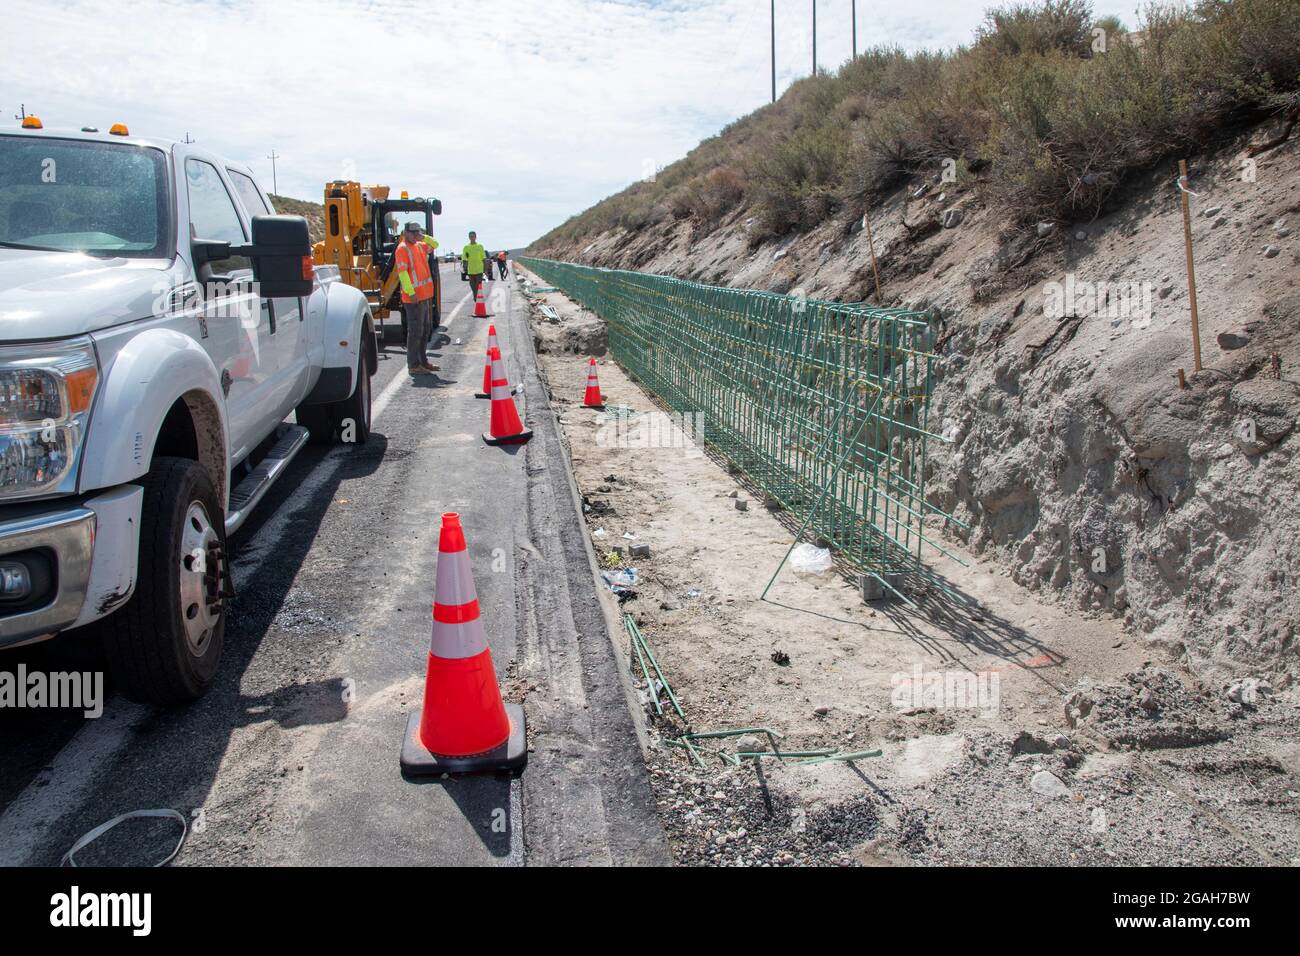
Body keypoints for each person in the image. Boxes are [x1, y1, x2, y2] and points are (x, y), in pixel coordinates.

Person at [394, 221, 439, 376]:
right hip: (414, 298)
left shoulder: (419, 245)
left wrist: (423, 236)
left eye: (417, 232)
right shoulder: (402, 249)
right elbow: (403, 273)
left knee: (425, 329)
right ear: (405, 232)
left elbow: (435, 244)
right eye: (413, 233)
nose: (415, 235)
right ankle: (413, 364)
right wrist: (410, 292)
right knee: (415, 331)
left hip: (425, 295)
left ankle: (423, 361)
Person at [462, 231, 488, 298]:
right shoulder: (466, 247)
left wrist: (485, 271)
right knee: (473, 288)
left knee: (478, 288)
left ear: (475, 237)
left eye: (473, 236)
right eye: (470, 236)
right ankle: (476, 298)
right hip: (470, 271)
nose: (472, 237)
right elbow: (464, 259)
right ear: (469, 237)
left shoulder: (480, 246)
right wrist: (464, 267)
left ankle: (478, 301)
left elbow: (484, 259)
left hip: (479, 271)